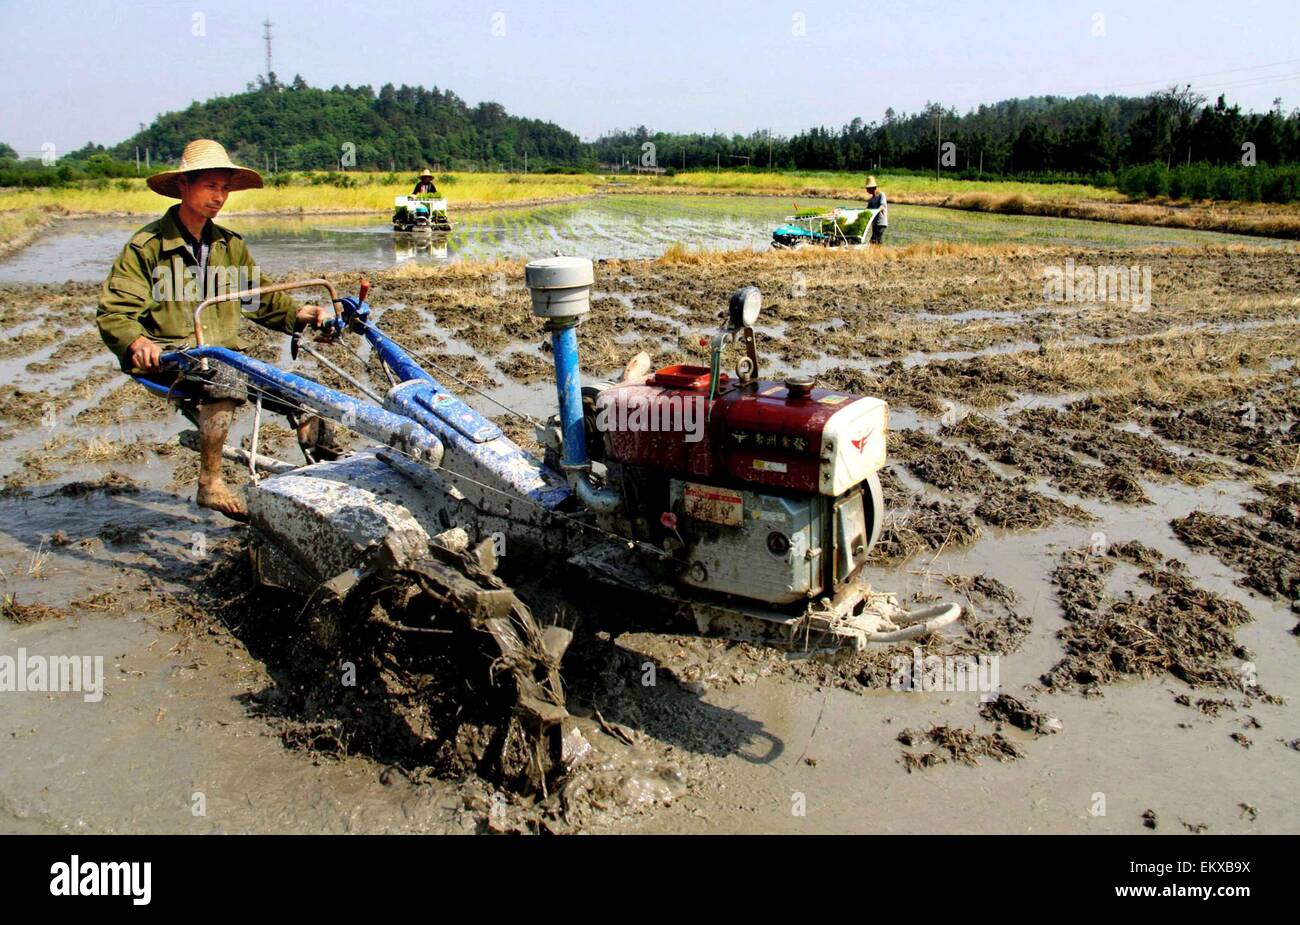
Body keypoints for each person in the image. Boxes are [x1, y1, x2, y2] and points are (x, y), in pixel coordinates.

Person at [96, 139, 337, 520]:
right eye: (210, 186)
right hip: (172, 356)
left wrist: (306, 313)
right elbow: (115, 313)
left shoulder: (228, 246)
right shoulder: (147, 248)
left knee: (306, 391)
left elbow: (260, 301)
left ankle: (331, 477)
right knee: (224, 374)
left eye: (224, 188)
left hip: (225, 357)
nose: (219, 196)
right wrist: (137, 341)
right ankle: (210, 484)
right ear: (183, 187)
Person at [865, 175, 888, 244]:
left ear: (873, 188)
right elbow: (867, 210)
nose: (867, 190)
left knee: (876, 239)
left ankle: (879, 252)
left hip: (881, 223)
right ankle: (879, 252)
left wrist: (878, 209)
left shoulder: (881, 195)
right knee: (875, 240)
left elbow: (882, 206)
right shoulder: (871, 200)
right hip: (874, 223)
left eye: (868, 188)